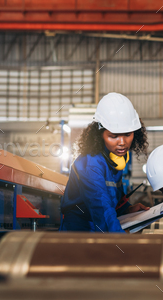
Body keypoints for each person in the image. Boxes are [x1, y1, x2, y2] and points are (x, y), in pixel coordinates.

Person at [59, 93, 149, 232]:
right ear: (100, 134)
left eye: (127, 134)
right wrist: (123, 244)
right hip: (79, 233)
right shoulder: (91, 165)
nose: (122, 143)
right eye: (113, 136)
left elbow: (114, 198)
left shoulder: (115, 159)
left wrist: (128, 209)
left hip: (99, 226)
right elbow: (101, 207)